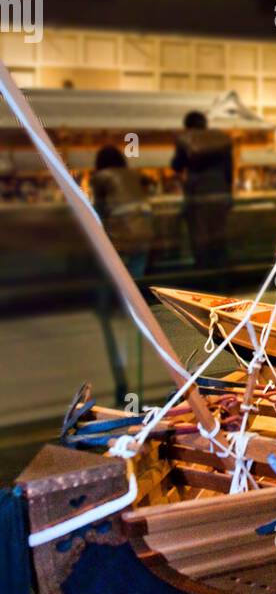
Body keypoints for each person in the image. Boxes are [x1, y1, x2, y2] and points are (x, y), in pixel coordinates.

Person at [91, 144, 153, 406]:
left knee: (113, 271)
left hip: (122, 237)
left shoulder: (100, 178)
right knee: (134, 277)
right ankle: (133, 309)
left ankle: (113, 307)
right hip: (145, 234)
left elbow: (98, 209)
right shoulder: (134, 175)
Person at [171, 111, 234, 272]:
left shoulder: (186, 139)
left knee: (200, 240)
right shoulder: (221, 138)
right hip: (221, 193)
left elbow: (177, 165)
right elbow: (229, 170)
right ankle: (222, 275)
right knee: (219, 238)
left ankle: (203, 275)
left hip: (198, 195)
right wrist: (228, 193)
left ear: (187, 126)